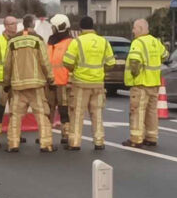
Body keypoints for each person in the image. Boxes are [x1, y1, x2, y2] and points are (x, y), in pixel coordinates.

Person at [2, 15, 56, 153]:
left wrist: (6, 82)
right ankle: (46, 144)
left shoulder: (13, 41)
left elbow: (7, 65)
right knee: (42, 114)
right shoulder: (38, 40)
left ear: (22, 25)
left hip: (18, 86)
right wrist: (50, 79)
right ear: (33, 25)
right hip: (36, 85)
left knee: (15, 116)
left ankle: (13, 144)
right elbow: (45, 62)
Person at [62, 15, 115, 151]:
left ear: (80, 28)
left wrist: (75, 69)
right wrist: (100, 71)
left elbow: (67, 62)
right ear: (93, 27)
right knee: (97, 113)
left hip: (81, 83)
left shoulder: (77, 42)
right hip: (98, 83)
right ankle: (99, 141)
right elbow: (111, 63)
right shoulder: (103, 42)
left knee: (77, 113)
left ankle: (74, 142)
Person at [122, 18, 168, 148]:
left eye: (135, 28)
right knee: (152, 112)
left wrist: (134, 75)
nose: (133, 31)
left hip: (141, 84)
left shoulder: (138, 43)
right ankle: (151, 137)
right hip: (154, 84)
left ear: (141, 29)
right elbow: (165, 55)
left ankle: (136, 139)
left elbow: (135, 63)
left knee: (137, 111)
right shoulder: (155, 42)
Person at [46, 14, 73, 148]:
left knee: (64, 110)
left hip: (63, 82)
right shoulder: (50, 42)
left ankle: (66, 134)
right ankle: (46, 136)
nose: (51, 29)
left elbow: (72, 63)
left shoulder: (70, 42)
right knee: (48, 110)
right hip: (50, 82)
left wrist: (70, 80)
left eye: (53, 27)